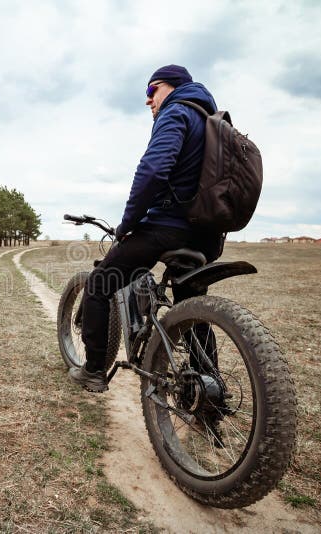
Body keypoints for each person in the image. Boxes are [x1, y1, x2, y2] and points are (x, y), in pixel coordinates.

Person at [69, 64, 224, 392]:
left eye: (152, 90)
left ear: (173, 87)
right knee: (190, 312)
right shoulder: (213, 124)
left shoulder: (177, 112)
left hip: (168, 227)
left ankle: (94, 370)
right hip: (208, 236)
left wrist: (128, 223)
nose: (148, 100)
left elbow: (152, 170)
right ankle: (209, 391)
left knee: (99, 284)